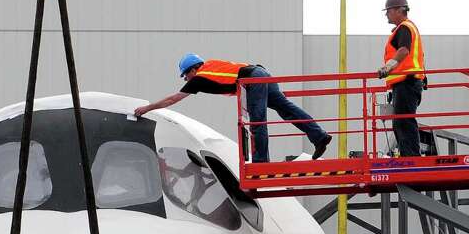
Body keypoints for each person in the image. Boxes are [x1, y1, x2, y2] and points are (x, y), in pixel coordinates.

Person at [133, 54, 332, 163]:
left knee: (257, 121)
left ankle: (261, 162)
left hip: (253, 79)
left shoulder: (200, 77)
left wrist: (148, 108)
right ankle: (319, 136)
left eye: (186, 75)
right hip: (261, 73)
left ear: (193, 69)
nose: (186, 79)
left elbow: (173, 99)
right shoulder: (211, 66)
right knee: (286, 109)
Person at [377, 0, 426, 157]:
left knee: (404, 122)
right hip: (407, 83)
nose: (386, 14)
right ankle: (409, 157)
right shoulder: (407, 28)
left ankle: (411, 159)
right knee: (401, 122)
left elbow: (404, 51)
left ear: (399, 10)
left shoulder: (404, 28)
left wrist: (388, 66)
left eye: (388, 11)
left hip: (407, 82)